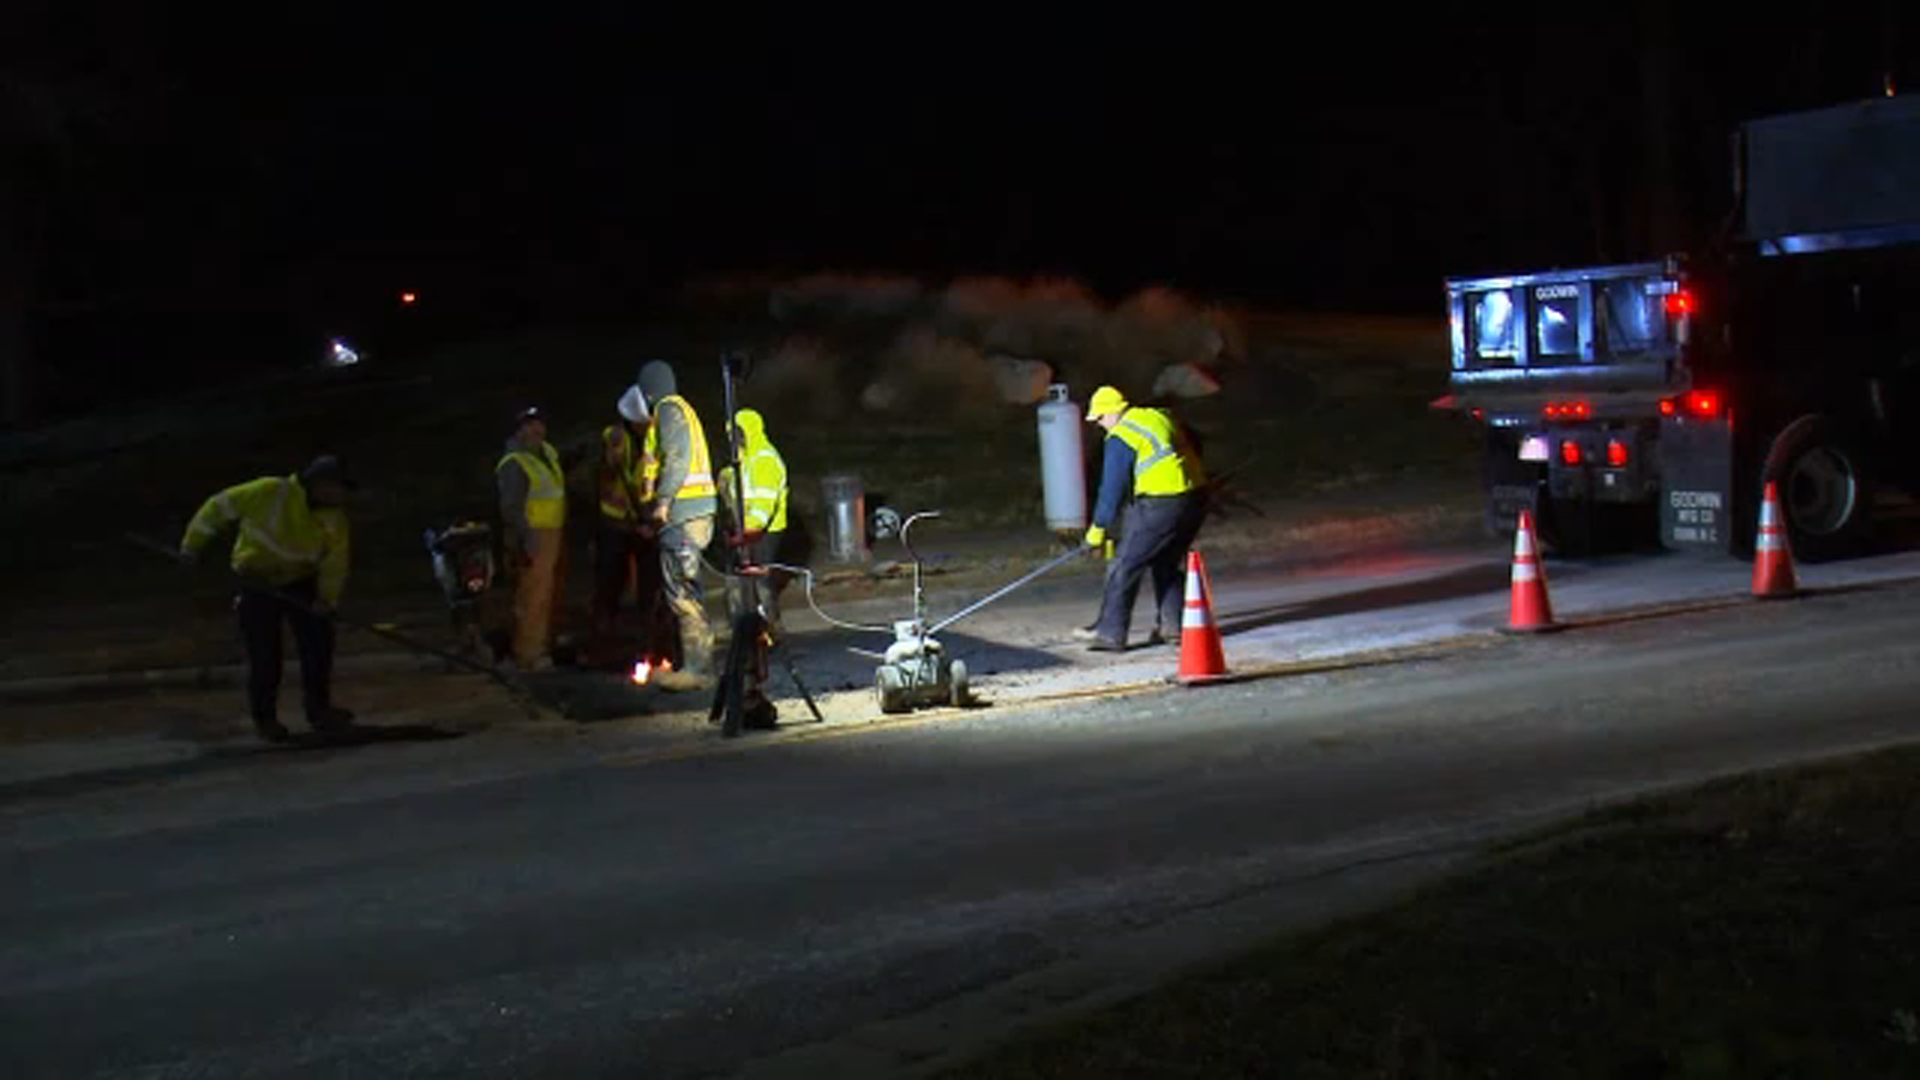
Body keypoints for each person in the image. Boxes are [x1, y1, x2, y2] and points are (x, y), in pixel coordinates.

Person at [178, 455, 357, 743]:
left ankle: (319, 710)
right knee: (264, 654)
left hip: (300, 582)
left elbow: (335, 563)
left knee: (318, 646)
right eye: (338, 488)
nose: (341, 495)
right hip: (256, 581)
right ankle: (265, 719)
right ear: (319, 484)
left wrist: (327, 600)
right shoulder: (270, 491)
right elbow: (218, 507)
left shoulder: (333, 518)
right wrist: (192, 546)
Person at [1073, 385, 1207, 651]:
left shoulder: (1122, 435)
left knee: (1124, 564)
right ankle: (1174, 626)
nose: (1099, 425)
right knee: (1165, 561)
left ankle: (1110, 632)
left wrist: (1097, 530)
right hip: (1195, 498)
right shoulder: (1158, 416)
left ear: (1112, 412)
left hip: (1161, 502)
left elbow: (1111, 488)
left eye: (1099, 418)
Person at [632, 360, 719, 690]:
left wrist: (663, 501)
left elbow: (677, 457)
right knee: (686, 590)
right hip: (691, 515)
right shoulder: (680, 410)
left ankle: (698, 670)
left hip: (683, 515)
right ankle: (696, 665)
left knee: (683, 593)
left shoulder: (668, 411)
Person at [588, 385, 673, 667]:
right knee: (610, 585)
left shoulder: (652, 437)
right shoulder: (615, 438)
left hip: (644, 523)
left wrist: (650, 520)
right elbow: (605, 472)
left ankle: (650, 645)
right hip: (616, 524)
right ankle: (604, 645)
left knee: (650, 589)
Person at [496, 406, 569, 671]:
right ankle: (528, 653)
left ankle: (543, 645)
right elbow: (511, 508)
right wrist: (525, 540)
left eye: (539, 424)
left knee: (547, 594)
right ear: (519, 430)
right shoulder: (515, 463)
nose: (536, 430)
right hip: (533, 534)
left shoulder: (547, 453)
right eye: (529, 425)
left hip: (552, 531)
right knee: (532, 596)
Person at [716, 407, 790, 632]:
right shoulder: (746, 458)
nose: (732, 441)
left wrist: (748, 530)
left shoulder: (764, 460)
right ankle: (743, 627)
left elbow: (764, 503)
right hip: (746, 529)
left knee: (760, 582)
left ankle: (768, 628)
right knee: (738, 580)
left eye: (736, 435)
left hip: (763, 532)